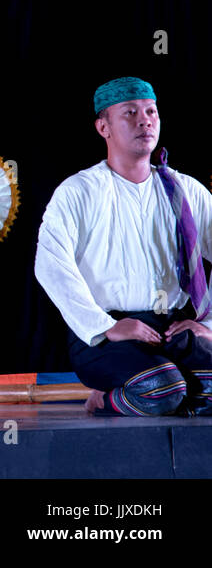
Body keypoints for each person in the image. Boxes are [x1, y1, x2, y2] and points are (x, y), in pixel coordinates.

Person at [35, 78, 212, 417]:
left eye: (150, 112)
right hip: (106, 336)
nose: (144, 120)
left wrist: (207, 325)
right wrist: (106, 326)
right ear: (104, 127)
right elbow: (50, 265)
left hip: (172, 330)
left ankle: (176, 396)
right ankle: (106, 398)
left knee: (185, 386)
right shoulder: (79, 191)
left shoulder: (183, 189)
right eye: (130, 113)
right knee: (165, 388)